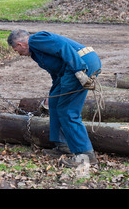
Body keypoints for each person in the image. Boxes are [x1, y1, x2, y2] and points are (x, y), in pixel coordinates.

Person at [7, 29, 101, 168]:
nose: (19, 54)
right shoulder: (35, 52)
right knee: (55, 103)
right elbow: (57, 72)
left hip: (81, 64)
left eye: (16, 50)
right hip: (71, 68)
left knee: (68, 111)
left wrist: (79, 70)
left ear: (20, 44)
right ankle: (64, 146)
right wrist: (53, 94)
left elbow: (64, 48)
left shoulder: (36, 40)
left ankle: (86, 156)